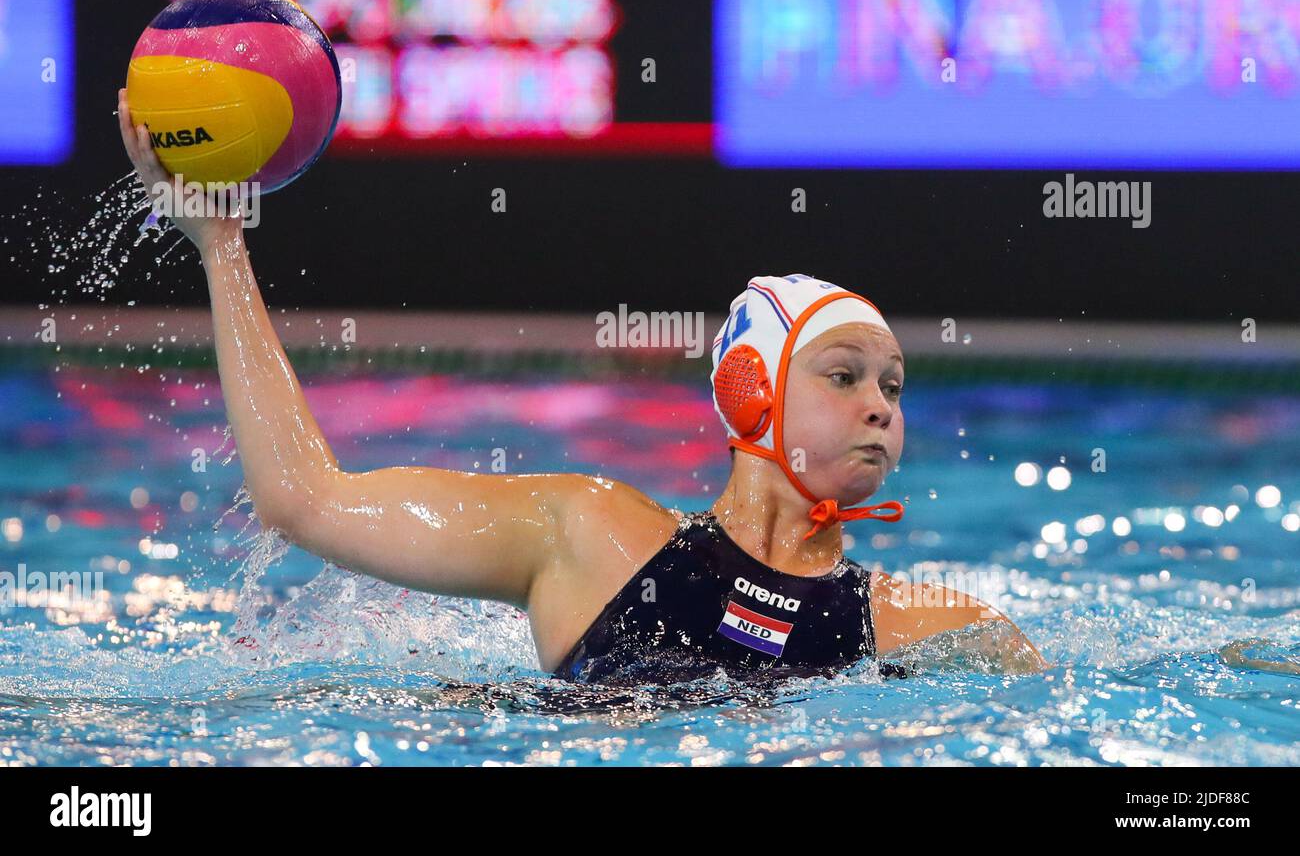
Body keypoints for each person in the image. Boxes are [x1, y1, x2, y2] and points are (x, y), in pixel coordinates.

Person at [118, 87, 1048, 686]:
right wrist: (222, 244)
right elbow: (304, 501)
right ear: (749, 390)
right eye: (844, 376)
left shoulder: (931, 627)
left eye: (893, 386)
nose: (881, 406)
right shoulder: (590, 533)